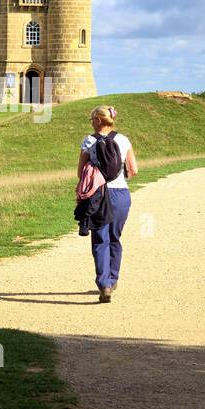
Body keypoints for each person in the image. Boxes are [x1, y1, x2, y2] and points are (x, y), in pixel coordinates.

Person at [78, 105, 139, 303]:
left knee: (99, 239)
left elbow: (81, 173)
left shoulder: (89, 141)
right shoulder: (123, 140)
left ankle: (104, 284)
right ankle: (112, 280)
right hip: (120, 194)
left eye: (91, 120)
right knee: (115, 238)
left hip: (98, 195)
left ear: (98, 120)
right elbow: (133, 170)